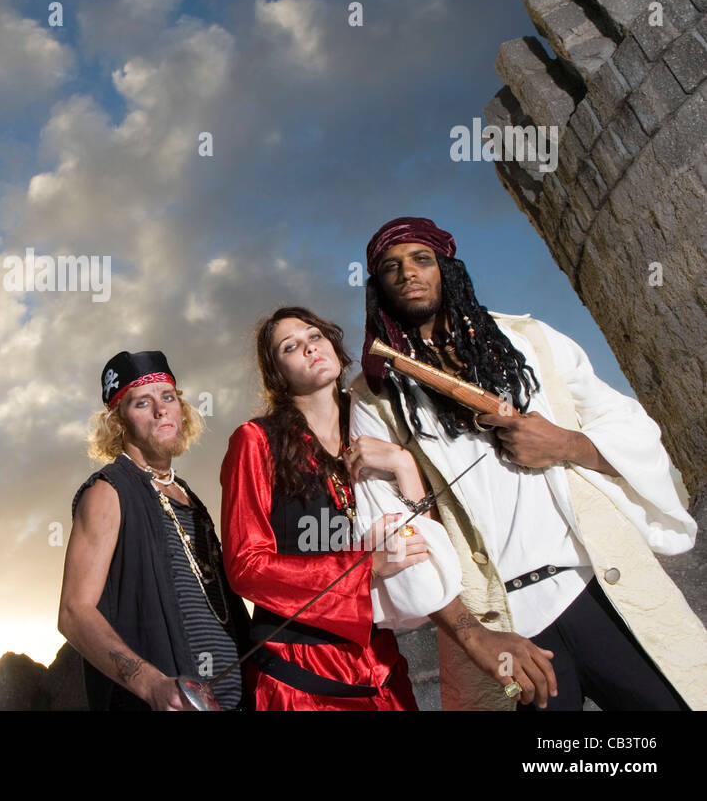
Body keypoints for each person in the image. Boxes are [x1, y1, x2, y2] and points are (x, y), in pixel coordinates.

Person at [349, 215, 707, 711]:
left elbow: (631, 426)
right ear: (378, 290)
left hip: (600, 588)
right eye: (391, 267)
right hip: (506, 630)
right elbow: (392, 533)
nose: (408, 273)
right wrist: (476, 640)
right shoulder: (376, 397)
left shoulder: (530, 340)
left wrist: (565, 443)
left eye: (421, 259)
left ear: (446, 270)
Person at [219, 307, 437, 710]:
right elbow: (246, 566)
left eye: (314, 336)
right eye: (290, 347)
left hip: (383, 662)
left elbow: (422, 542)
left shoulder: (373, 426)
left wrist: (404, 463)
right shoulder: (255, 440)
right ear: (277, 374)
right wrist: (362, 567)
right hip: (298, 672)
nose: (308, 348)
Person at [57, 350, 251, 710]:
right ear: (118, 424)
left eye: (168, 397)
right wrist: (151, 686)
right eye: (142, 403)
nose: (162, 410)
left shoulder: (188, 496)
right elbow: (73, 612)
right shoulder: (108, 491)